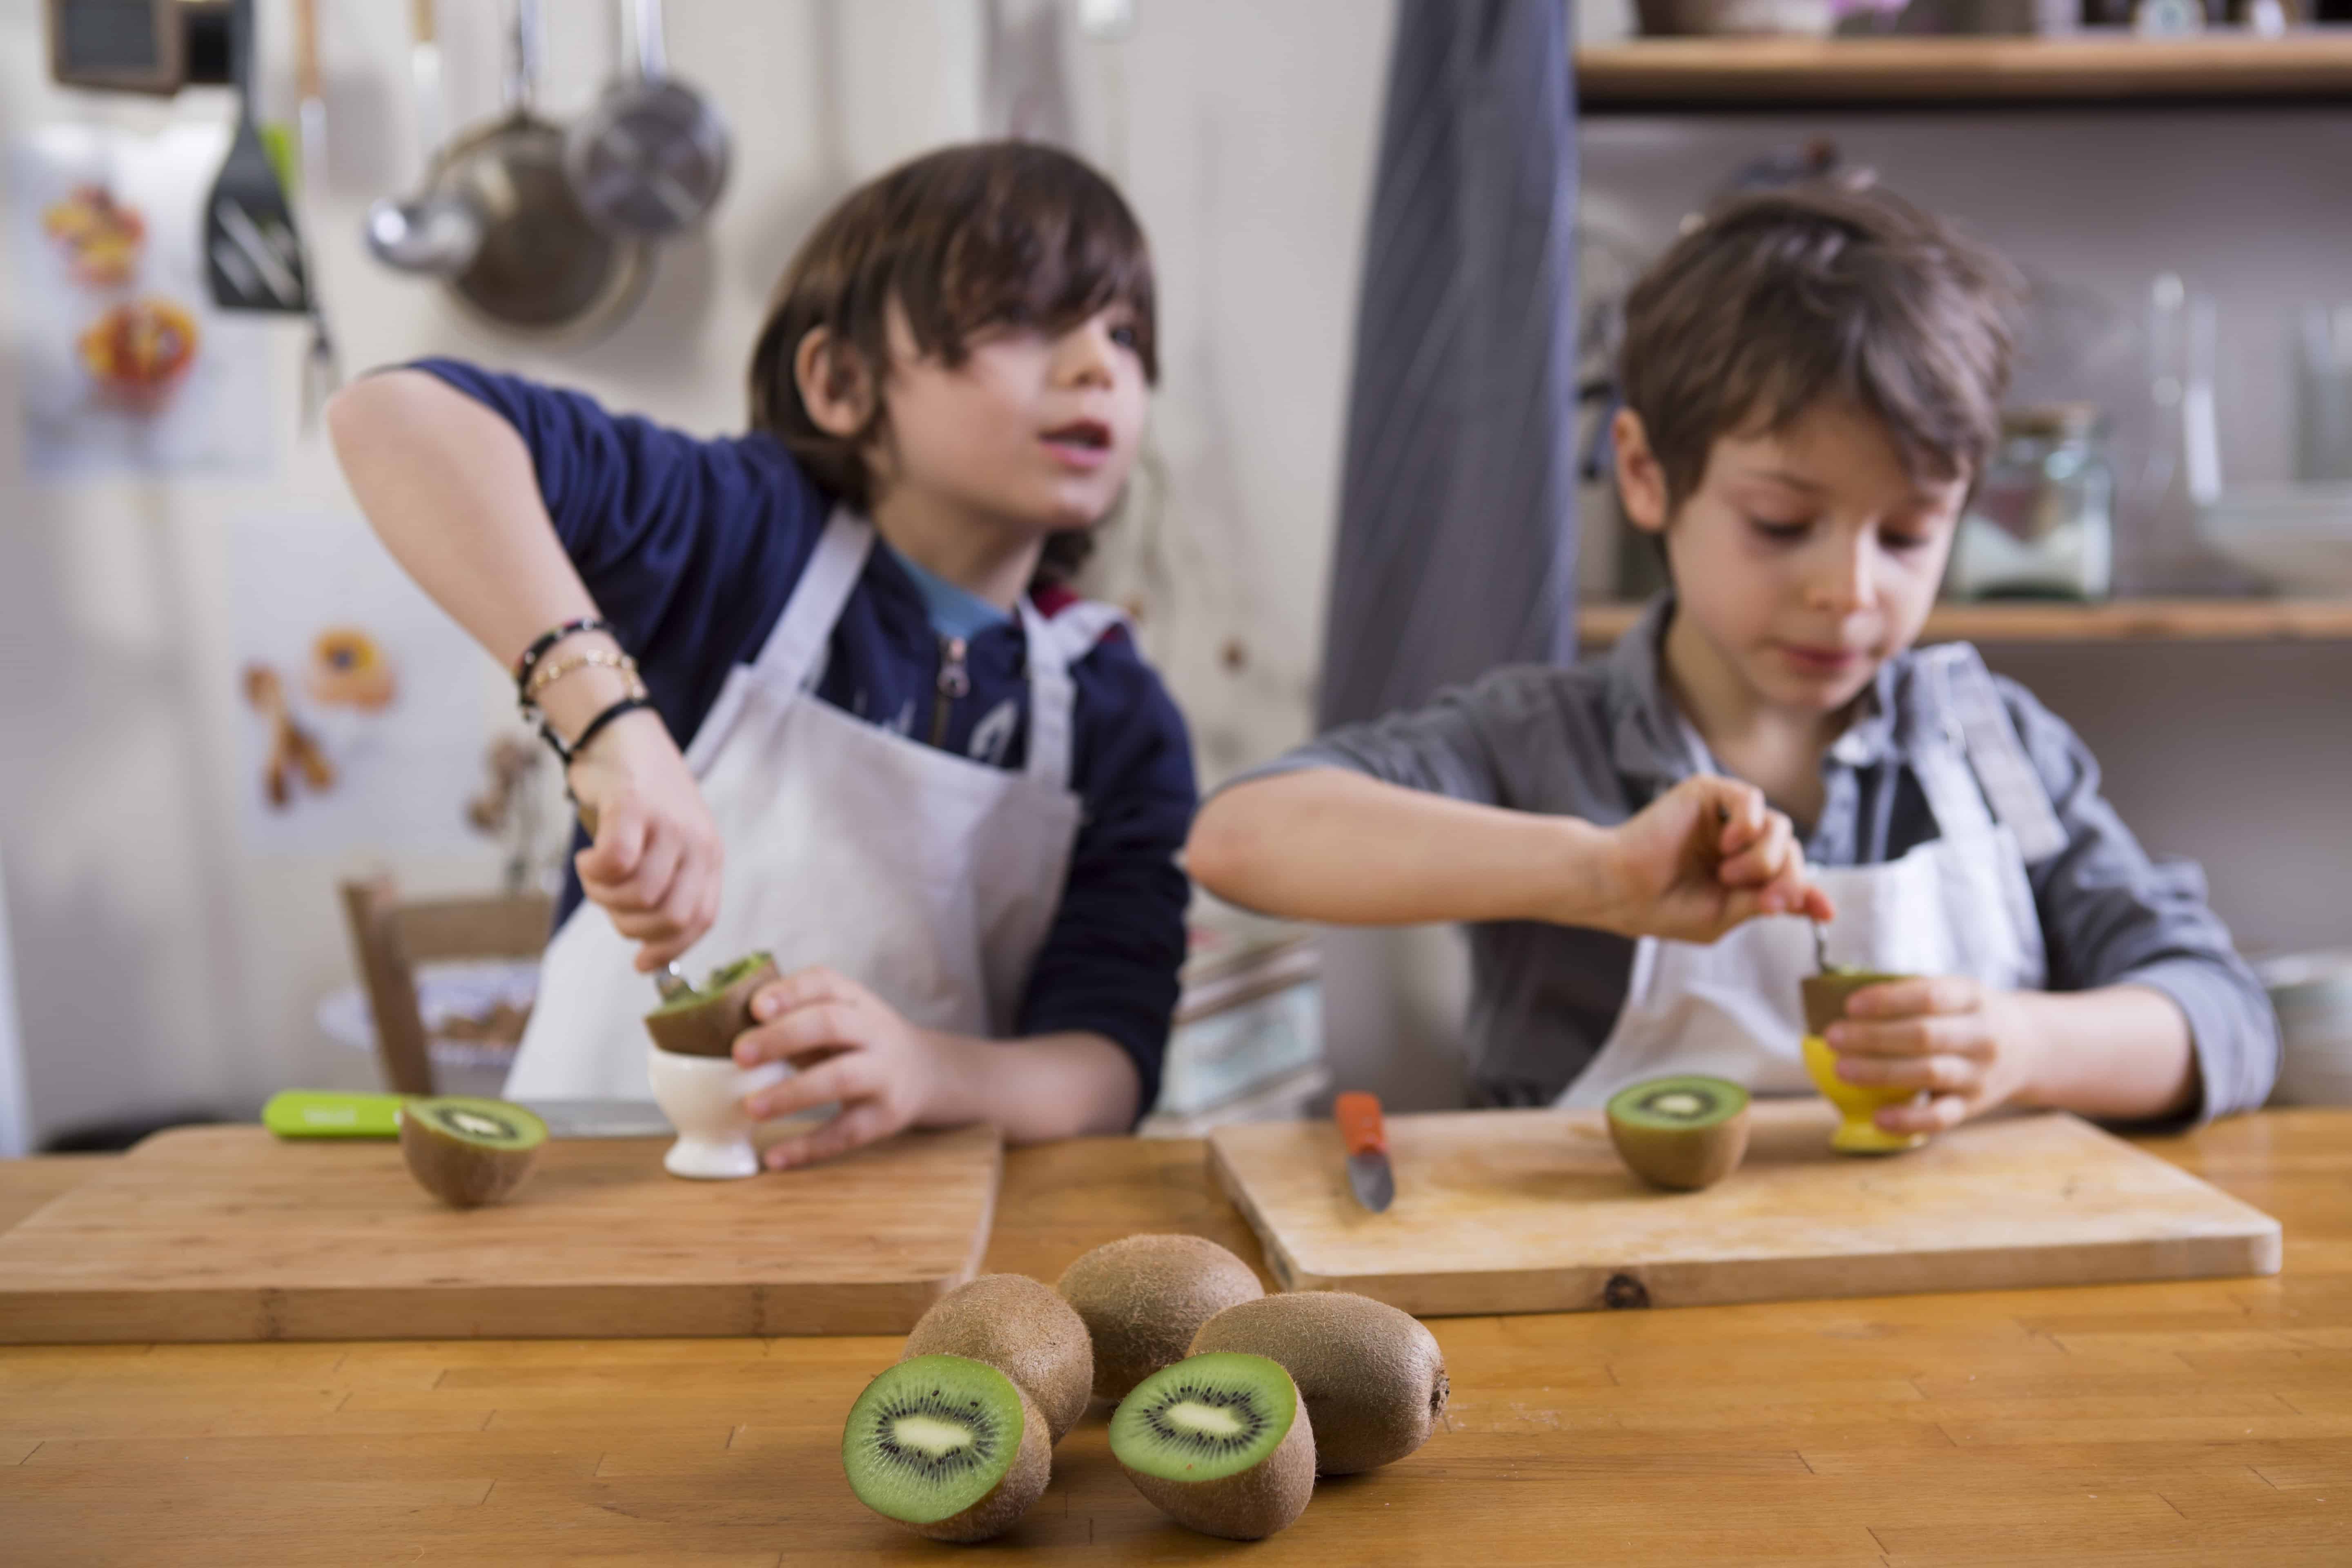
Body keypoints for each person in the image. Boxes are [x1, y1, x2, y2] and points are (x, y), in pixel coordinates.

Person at [1188, 182, 2277, 1132]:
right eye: (1781, 523)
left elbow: (2226, 1018)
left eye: (1907, 535)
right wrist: (1596, 876)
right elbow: (1240, 840)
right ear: (1645, 474)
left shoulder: (1998, 753)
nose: (1851, 590)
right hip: (1608, 1293)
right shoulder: (1542, 743)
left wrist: (2025, 1045)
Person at [329, 143, 1194, 1168]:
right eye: (1023, 318)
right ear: (840, 380)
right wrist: (613, 729)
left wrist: (930, 1071)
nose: (1099, 366)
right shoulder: (741, 538)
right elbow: (395, 417)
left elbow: (1107, 1065)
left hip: (912, 1227)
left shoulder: (1117, 712)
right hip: (585, 1197)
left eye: (1124, 334)